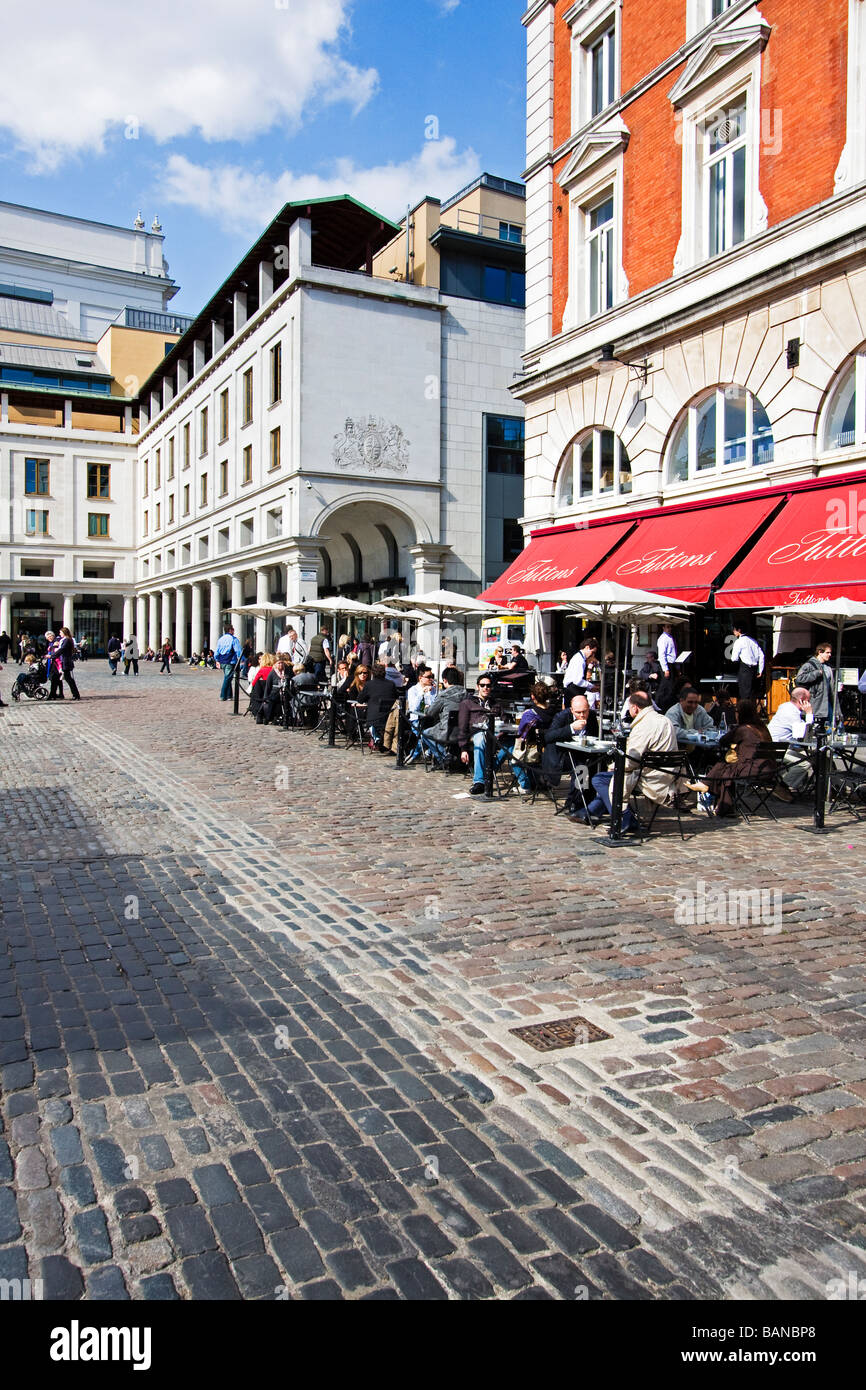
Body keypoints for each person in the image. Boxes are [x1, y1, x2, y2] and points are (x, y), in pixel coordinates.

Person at [574, 691, 687, 830]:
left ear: (635, 708)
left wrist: (614, 765)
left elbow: (631, 759)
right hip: (668, 775)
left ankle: (624, 819)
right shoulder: (665, 720)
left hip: (650, 778)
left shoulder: (645, 725)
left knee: (600, 779)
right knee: (609, 779)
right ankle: (590, 812)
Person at [699, 700, 777, 816]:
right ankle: (719, 802)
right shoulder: (762, 728)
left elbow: (723, 741)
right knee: (727, 768)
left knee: (725, 769)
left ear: (741, 713)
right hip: (770, 770)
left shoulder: (742, 730)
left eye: (737, 711)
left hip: (753, 770)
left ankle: (721, 802)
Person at [542, 694, 599, 810]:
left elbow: (595, 735)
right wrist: (571, 728)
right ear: (572, 710)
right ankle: (573, 803)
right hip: (561, 755)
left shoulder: (592, 716)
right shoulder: (562, 716)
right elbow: (548, 737)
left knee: (598, 764)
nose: (582, 715)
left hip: (582, 752)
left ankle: (591, 801)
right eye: (578, 712)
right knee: (581, 767)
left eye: (585, 711)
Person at [457, 674, 505, 793]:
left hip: (496, 734)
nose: (485, 688)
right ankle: (479, 781)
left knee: (512, 743)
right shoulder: (467, 703)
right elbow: (462, 726)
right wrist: (463, 749)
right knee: (479, 740)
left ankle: (489, 769)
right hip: (477, 733)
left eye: (488, 686)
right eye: (482, 685)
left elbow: (504, 720)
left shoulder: (496, 703)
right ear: (477, 687)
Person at [508, 682, 558, 792]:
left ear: (532, 696)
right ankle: (535, 782)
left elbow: (521, 731)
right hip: (548, 749)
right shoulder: (554, 712)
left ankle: (525, 784)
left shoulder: (530, 714)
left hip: (532, 749)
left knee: (511, 755)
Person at [768, 686, 815, 793]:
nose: (810, 704)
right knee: (804, 763)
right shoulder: (791, 713)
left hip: (782, 745)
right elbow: (804, 735)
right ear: (801, 701)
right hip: (776, 748)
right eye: (808, 701)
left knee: (819, 755)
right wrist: (809, 714)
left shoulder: (785, 707)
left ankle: (830, 788)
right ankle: (782, 788)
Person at [419, 667, 468, 763]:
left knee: (424, 733)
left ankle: (443, 757)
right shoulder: (466, 694)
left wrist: (426, 707)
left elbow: (430, 713)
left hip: (447, 732)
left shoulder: (443, 696)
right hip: (465, 731)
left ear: (445, 680)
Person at [795, 642, 835, 723]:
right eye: (827, 652)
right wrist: (816, 673)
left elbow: (831, 689)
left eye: (830, 652)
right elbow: (799, 678)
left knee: (830, 729)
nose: (830, 655)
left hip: (827, 704)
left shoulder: (828, 668)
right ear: (820, 652)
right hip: (815, 704)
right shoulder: (809, 665)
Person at [364, 663, 400, 750]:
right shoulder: (391, 684)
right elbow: (396, 697)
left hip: (373, 718)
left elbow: (360, 699)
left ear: (372, 673)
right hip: (388, 717)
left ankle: (376, 738)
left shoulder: (369, 684)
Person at [731, 624, 765, 702]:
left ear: (739, 630)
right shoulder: (753, 641)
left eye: (734, 630)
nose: (733, 631)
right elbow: (761, 655)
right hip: (754, 670)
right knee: (752, 694)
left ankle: (745, 712)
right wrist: (760, 670)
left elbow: (734, 658)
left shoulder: (739, 642)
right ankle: (751, 711)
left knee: (744, 694)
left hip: (745, 669)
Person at [562, 638, 600, 705]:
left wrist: (589, 688)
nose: (593, 655)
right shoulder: (579, 659)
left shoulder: (579, 658)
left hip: (573, 691)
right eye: (592, 652)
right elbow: (578, 681)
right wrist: (591, 686)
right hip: (572, 692)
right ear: (587, 647)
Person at [257, 656, 291, 725]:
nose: (280, 665)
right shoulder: (272, 673)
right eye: (279, 663)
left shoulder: (287, 672)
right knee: (272, 700)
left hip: (285, 692)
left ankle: (287, 717)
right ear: (275, 664)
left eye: (282, 663)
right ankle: (268, 717)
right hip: (275, 692)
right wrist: (265, 697)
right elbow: (268, 686)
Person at [215, 625, 242, 701]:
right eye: (233, 629)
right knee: (227, 678)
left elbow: (216, 651)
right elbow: (238, 651)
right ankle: (223, 695)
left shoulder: (220, 639)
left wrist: (217, 659)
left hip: (222, 661)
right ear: (230, 630)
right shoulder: (234, 639)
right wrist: (242, 659)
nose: (234, 631)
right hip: (230, 661)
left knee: (228, 677)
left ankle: (229, 695)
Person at [656, 623, 678, 711]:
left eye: (670, 627)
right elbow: (662, 655)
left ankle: (666, 705)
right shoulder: (663, 639)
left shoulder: (669, 637)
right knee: (666, 687)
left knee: (670, 687)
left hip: (671, 664)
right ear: (663, 627)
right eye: (667, 627)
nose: (669, 629)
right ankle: (660, 705)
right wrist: (666, 669)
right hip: (666, 664)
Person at [56, 627, 81, 701]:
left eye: (60, 632)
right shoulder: (65, 640)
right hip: (65, 660)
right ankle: (75, 694)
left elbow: (62, 649)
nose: (60, 634)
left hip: (66, 661)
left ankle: (75, 694)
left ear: (64, 633)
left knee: (68, 678)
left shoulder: (66, 640)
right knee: (68, 678)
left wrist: (53, 656)